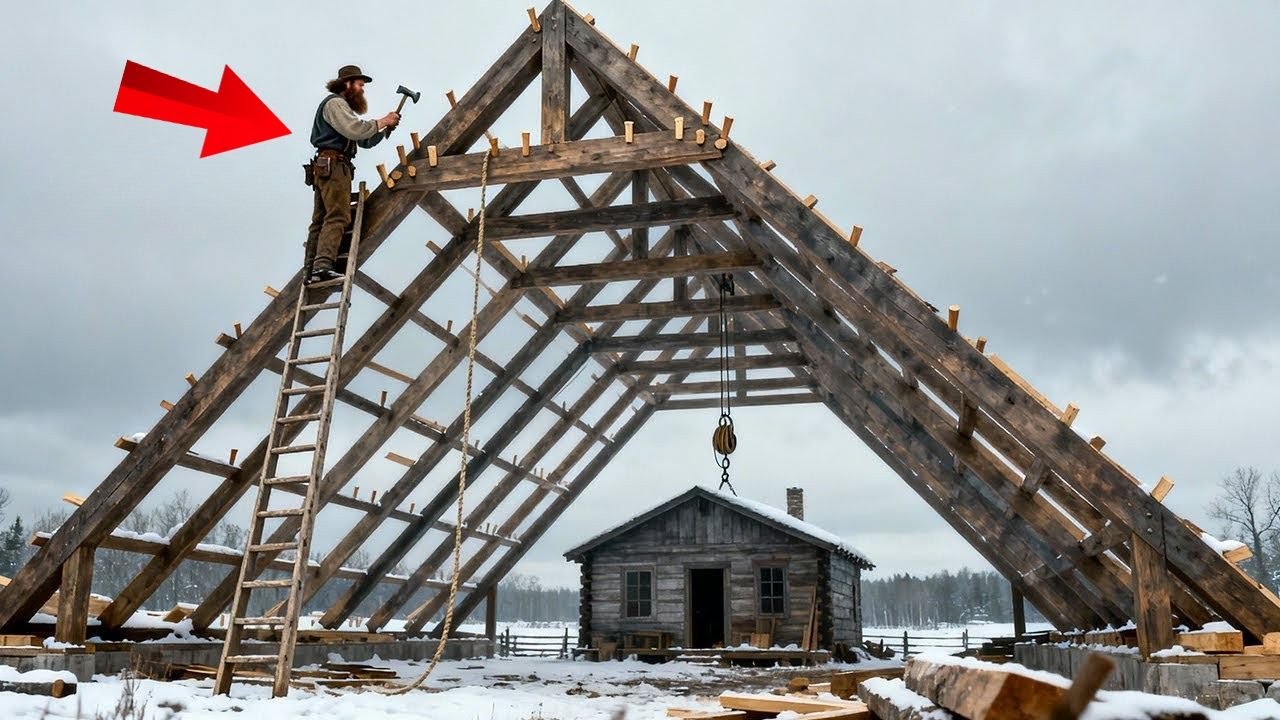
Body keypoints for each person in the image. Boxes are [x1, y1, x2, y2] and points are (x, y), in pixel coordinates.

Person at [304, 65, 400, 283]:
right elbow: (355, 130)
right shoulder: (335, 103)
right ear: (347, 84)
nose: (362, 89)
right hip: (334, 166)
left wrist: (385, 129)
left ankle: (311, 270)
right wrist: (382, 121)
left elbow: (363, 140)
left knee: (320, 220)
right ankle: (322, 266)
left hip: (327, 166)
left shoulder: (342, 108)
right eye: (360, 84)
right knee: (338, 215)